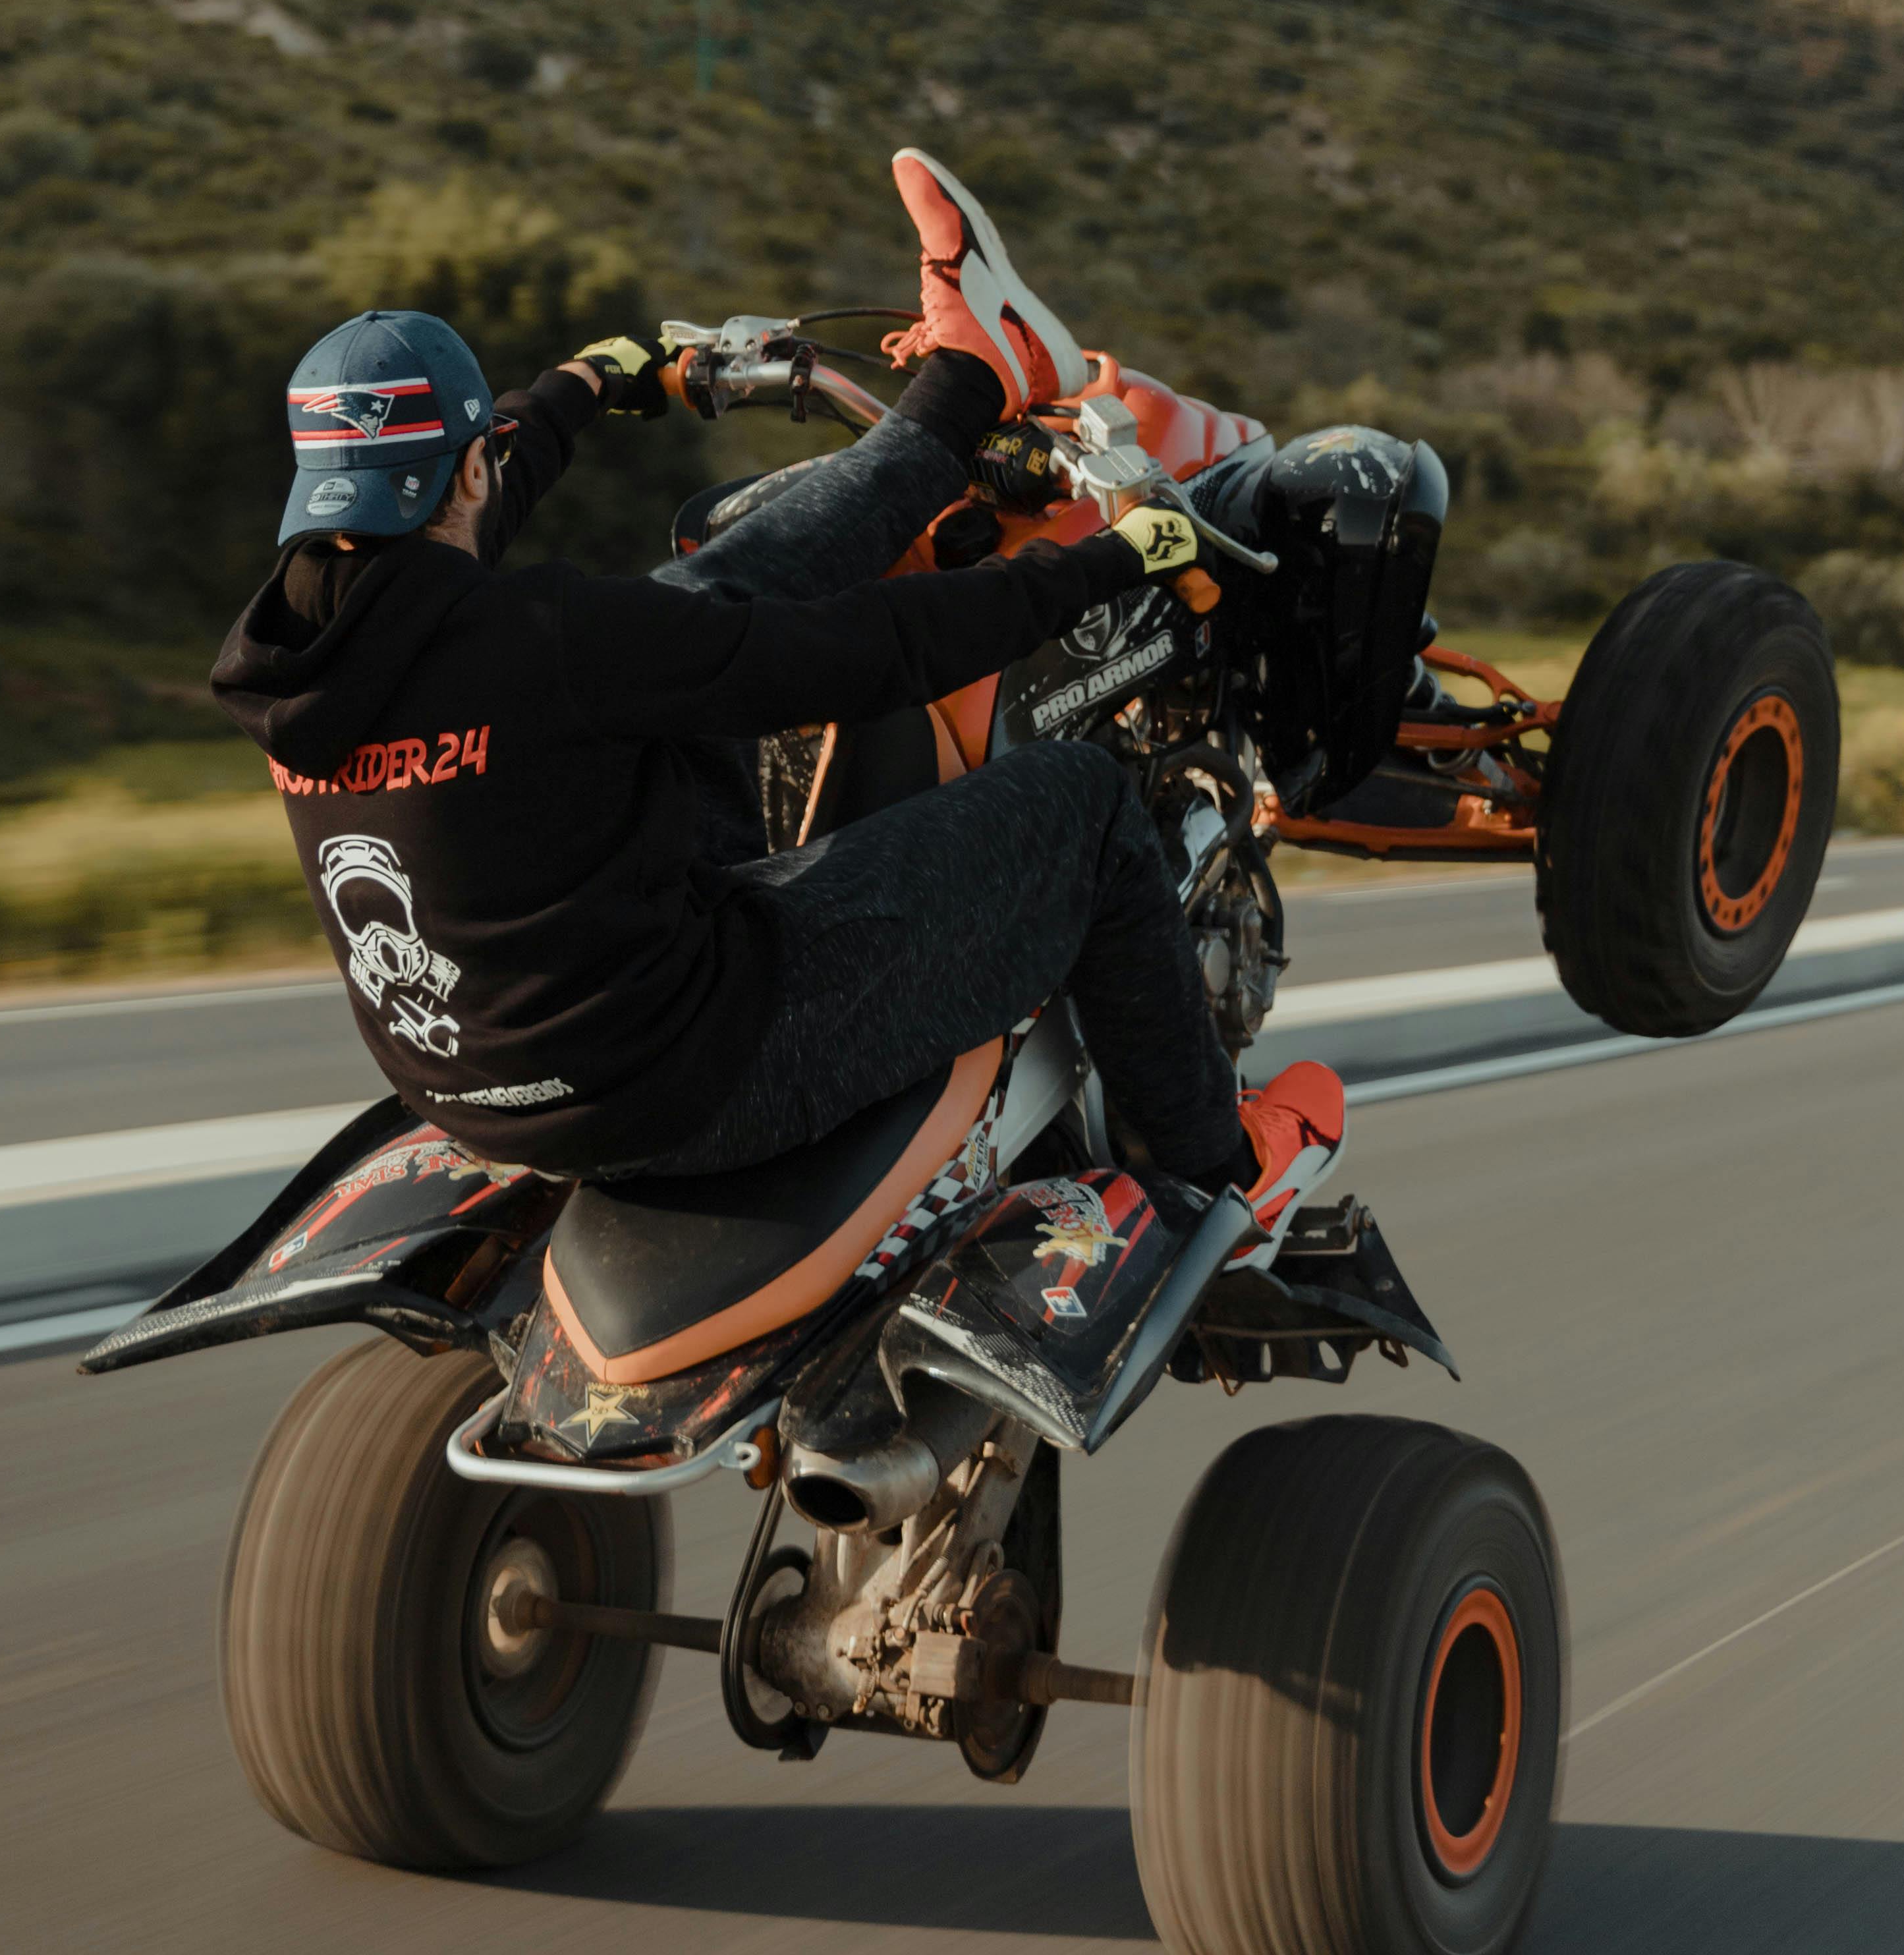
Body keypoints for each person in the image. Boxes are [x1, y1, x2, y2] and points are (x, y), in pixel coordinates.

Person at [211, 152, 1343, 1220]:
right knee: (1085, 808)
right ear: (470, 467)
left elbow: (457, 532)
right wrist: (1107, 562)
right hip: (685, 1083)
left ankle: (968, 384)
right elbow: (864, 651)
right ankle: (1216, 1165)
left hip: (478, 1095)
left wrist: (582, 388)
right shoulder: (551, 641)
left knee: (694, 606)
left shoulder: (298, 649)